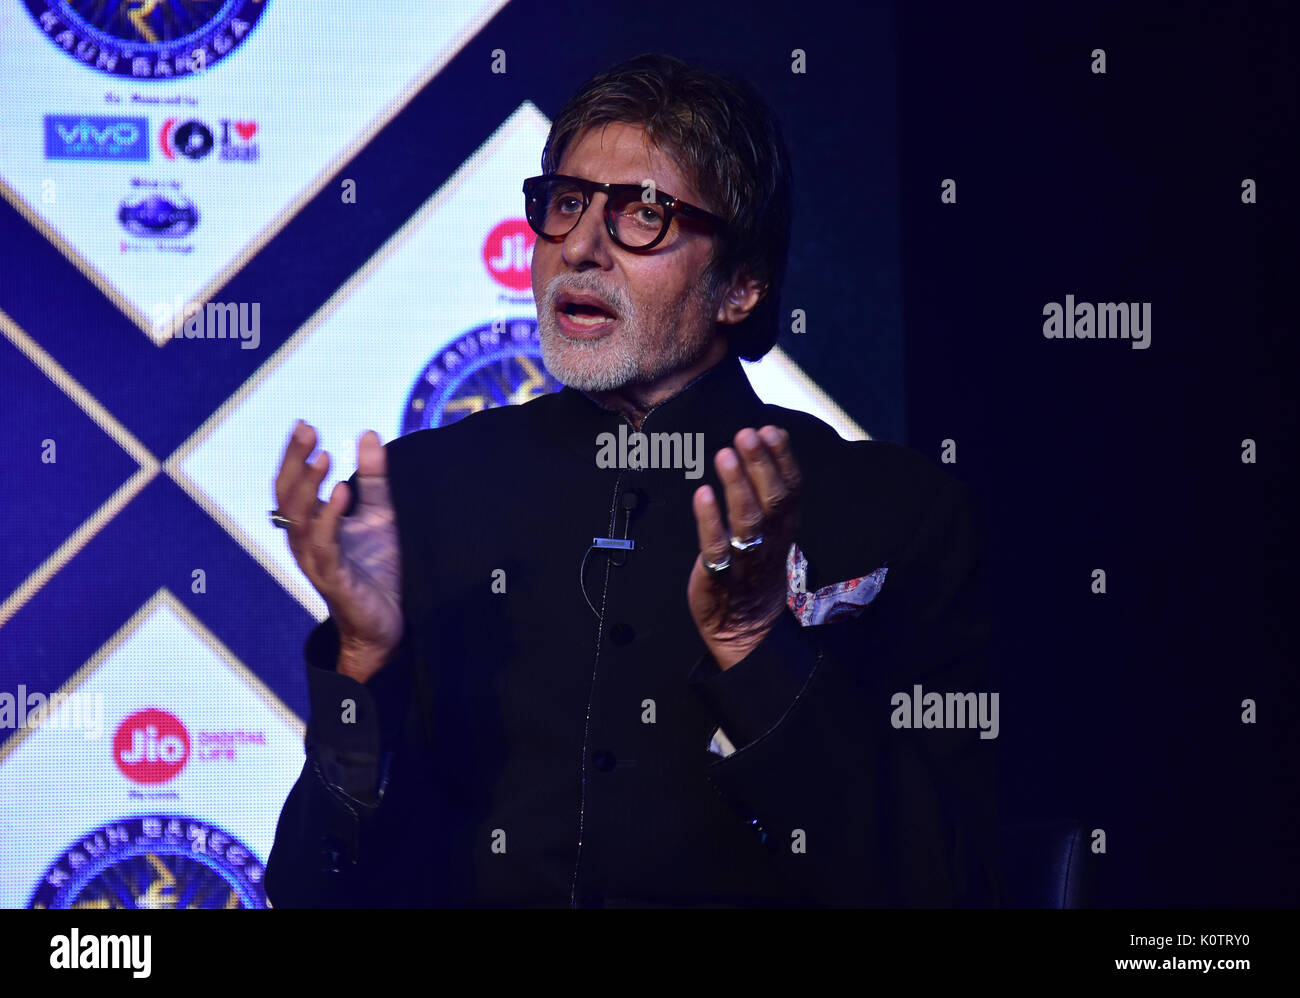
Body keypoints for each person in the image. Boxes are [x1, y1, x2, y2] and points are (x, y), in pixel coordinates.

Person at [264, 53, 998, 908]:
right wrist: (362, 662)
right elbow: (312, 892)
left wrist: (757, 647)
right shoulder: (422, 493)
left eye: (642, 215)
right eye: (566, 203)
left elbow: (945, 886)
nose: (579, 245)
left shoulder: (892, 513)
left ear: (742, 286)